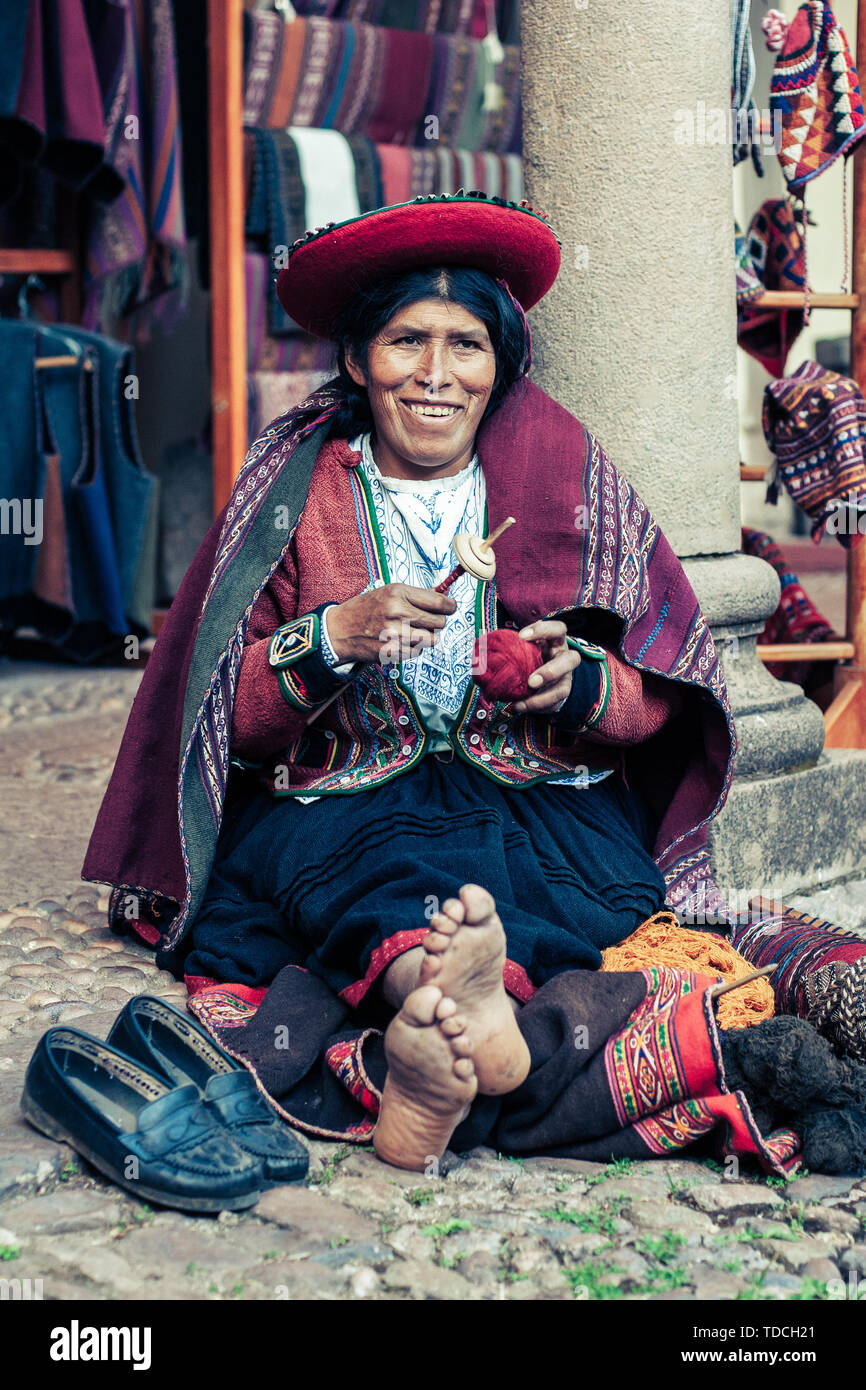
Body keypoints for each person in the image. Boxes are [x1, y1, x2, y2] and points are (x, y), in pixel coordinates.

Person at [82, 195, 866, 1172]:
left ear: (498, 364)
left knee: (559, 901)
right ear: (359, 358)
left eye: (466, 345)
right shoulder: (297, 489)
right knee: (387, 882)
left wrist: (573, 684)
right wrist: (329, 639)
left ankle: (445, 1037)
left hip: (531, 799)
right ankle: (466, 1010)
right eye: (406, 340)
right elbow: (217, 719)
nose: (436, 374)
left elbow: (660, 694)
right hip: (347, 799)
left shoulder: (563, 473)